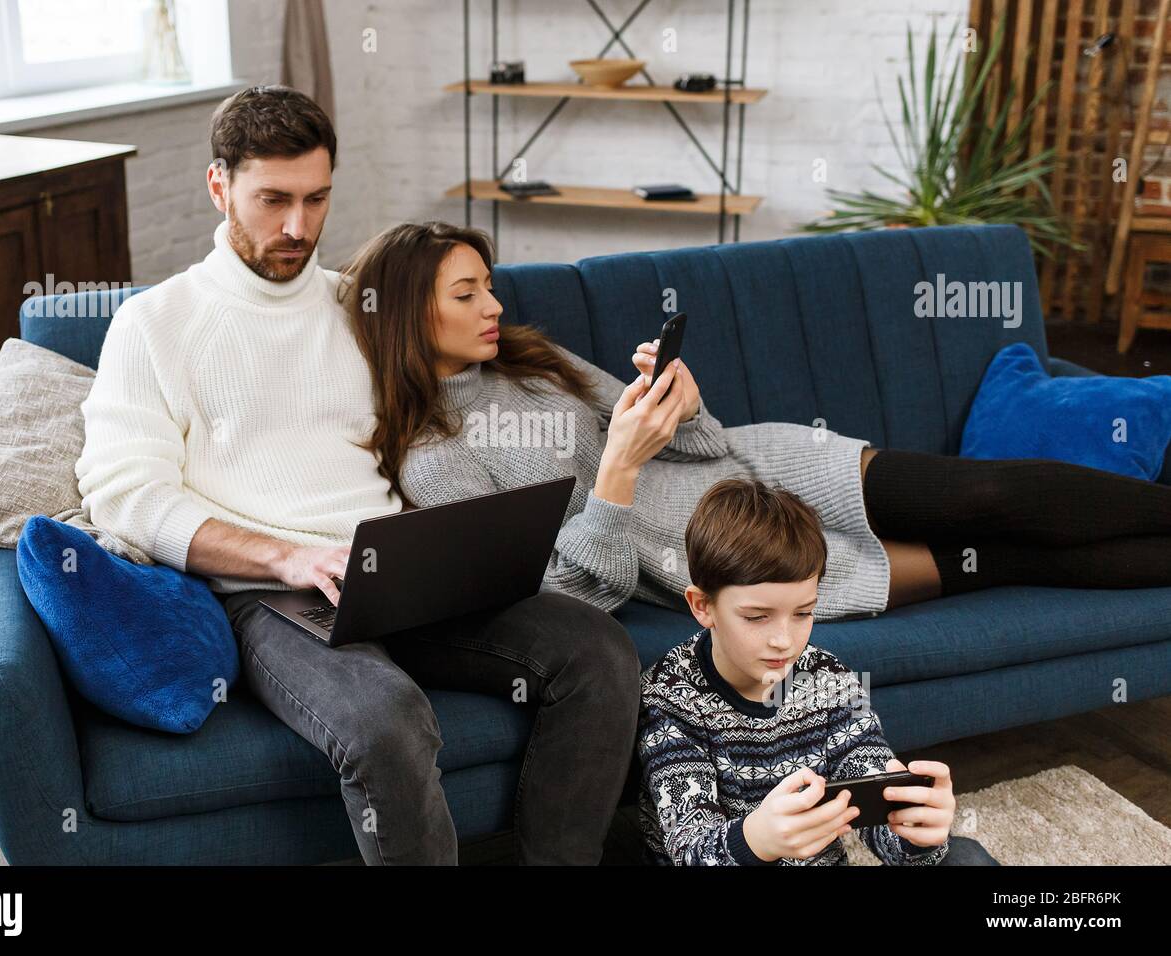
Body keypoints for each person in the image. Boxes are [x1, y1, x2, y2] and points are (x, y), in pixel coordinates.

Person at [75, 86, 641, 865]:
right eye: (273, 200)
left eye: (317, 199)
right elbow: (124, 496)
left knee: (597, 650)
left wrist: (621, 407)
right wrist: (287, 557)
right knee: (385, 720)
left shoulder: (359, 306)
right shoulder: (154, 325)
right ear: (219, 186)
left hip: (400, 567)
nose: (298, 228)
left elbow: (470, 378)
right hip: (275, 596)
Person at [343, 219, 1171, 621]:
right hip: (725, 550)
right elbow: (566, 590)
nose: (493, 304)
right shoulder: (433, 459)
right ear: (408, 316)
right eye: (467, 294)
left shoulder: (533, 358)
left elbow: (702, 446)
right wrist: (619, 472)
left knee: (987, 494)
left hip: (769, 462)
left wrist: (684, 406)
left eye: (489, 283)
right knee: (1006, 557)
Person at [637, 478, 999, 865]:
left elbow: (879, 807)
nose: (784, 641)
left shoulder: (829, 679)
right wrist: (755, 840)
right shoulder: (669, 695)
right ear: (702, 606)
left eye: (803, 613)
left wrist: (915, 830)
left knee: (964, 857)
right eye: (757, 617)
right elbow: (689, 847)